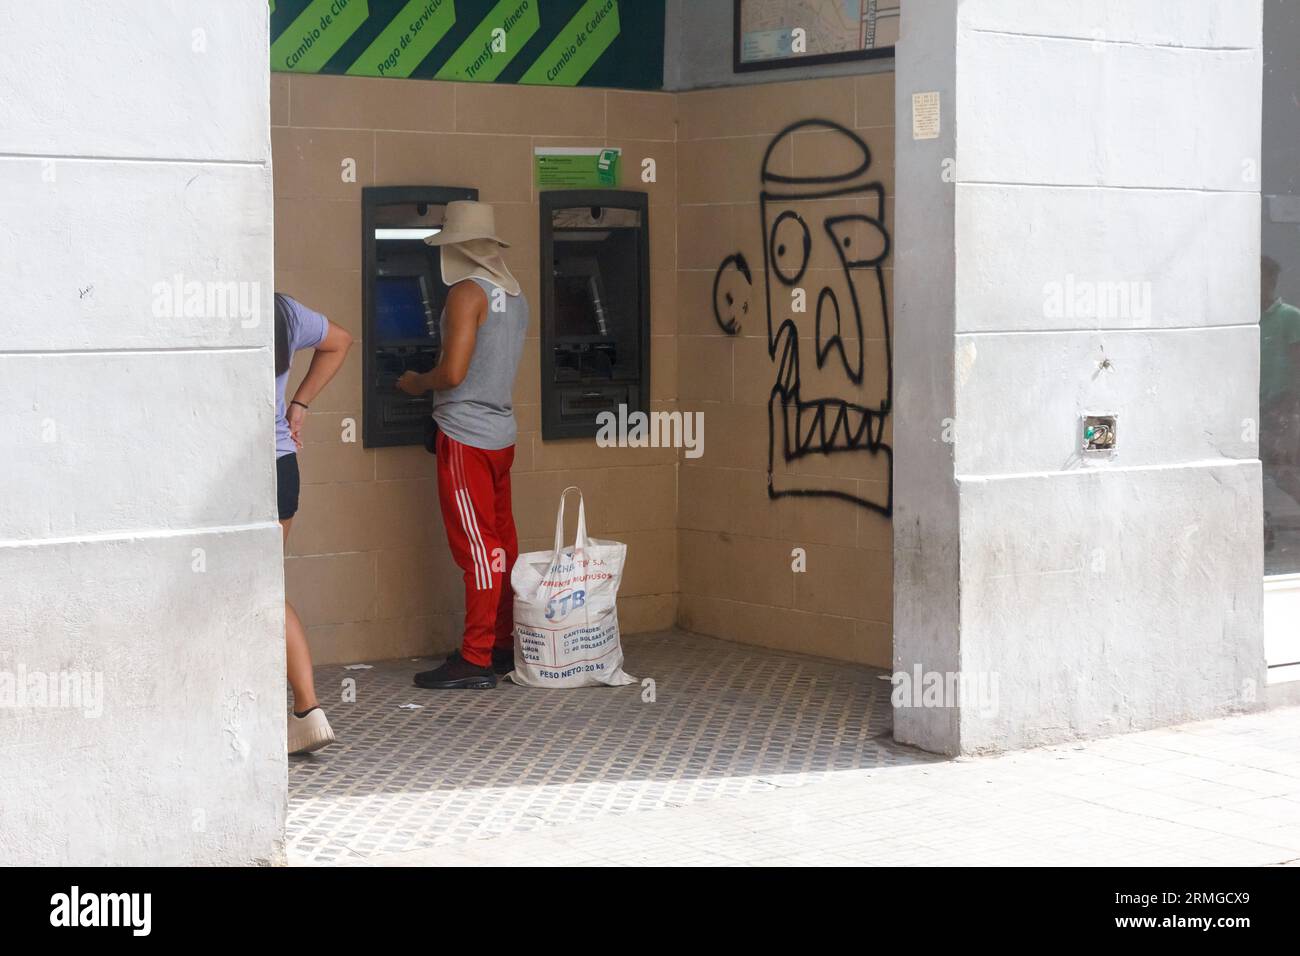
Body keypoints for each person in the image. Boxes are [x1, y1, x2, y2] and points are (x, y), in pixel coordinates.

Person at [397, 201, 528, 690]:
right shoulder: (516, 296)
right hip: (502, 435)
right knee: (502, 545)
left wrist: (414, 382)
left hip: (465, 435)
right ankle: (499, 644)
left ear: (456, 250)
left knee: (477, 547)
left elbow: (451, 374)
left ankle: (474, 660)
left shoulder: (465, 295)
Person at [274, 293, 353, 752]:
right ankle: (306, 708)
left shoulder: (205, 306)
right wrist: (299, 403)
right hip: (281, 465)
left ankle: (306, 711)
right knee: (264, 587)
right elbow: (340, 340)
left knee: (254, 588)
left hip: (235, 472)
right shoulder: (283, 309)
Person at [1261, 255, 1300, 516]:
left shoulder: (1290, 317)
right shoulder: (1251, 321)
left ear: (1271, 281)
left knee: (1283, 470)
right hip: (1256, 407)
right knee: (1263, 469)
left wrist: (1291, 403)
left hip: (1281, 405)